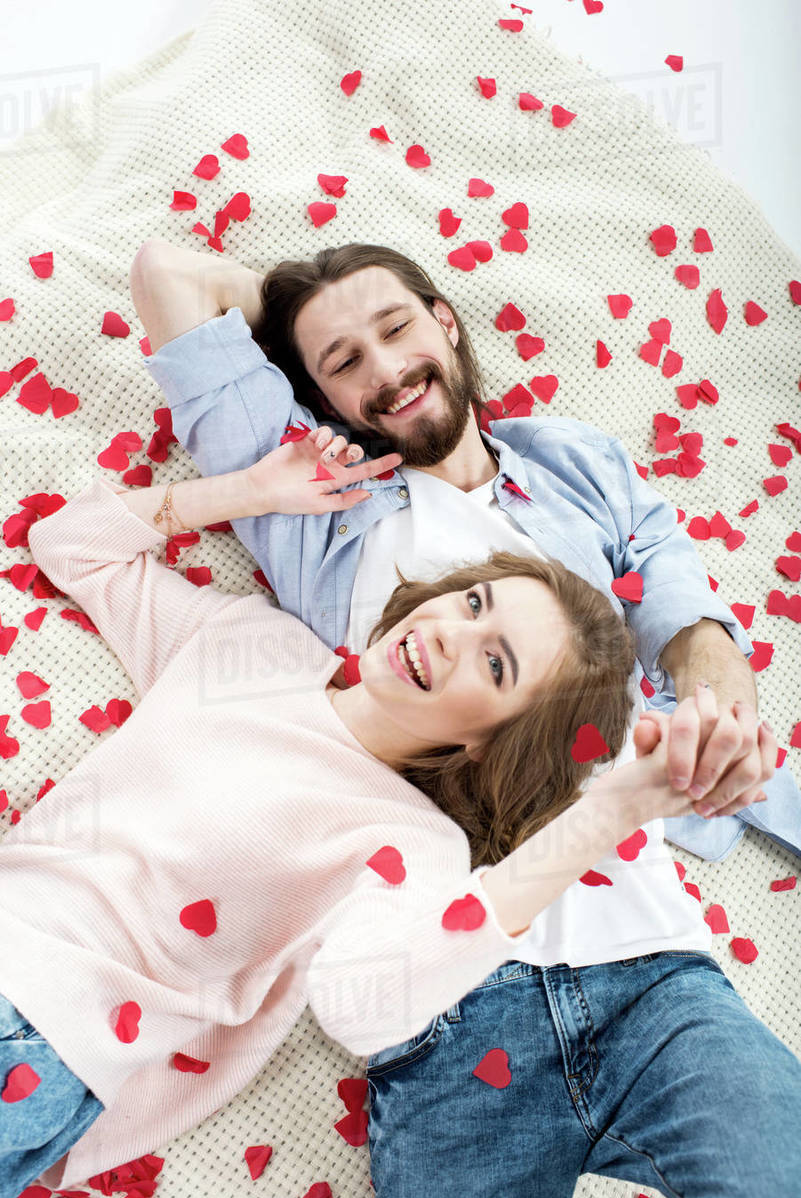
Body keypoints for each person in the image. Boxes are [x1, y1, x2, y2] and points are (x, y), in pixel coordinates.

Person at [0, 428, 745, 1197]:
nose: (447, 634)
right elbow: (71, 547)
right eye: (471, 601)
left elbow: (364, 1010)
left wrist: (612, 813)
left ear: (490, 744)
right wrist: (252, 491)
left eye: (494, 662)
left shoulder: (412, 843)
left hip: (44, 1030)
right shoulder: (253, 646)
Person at [131, 237, 801, 862]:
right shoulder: (304, 489)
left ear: (445, 322)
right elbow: (166, 273)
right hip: (486, 858)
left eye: (395, 328)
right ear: (322, 397)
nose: (388, 369)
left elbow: (675, 591)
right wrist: (288, 320)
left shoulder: (570, 458)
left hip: (650, 791)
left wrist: (718, 716)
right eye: (344, 361)